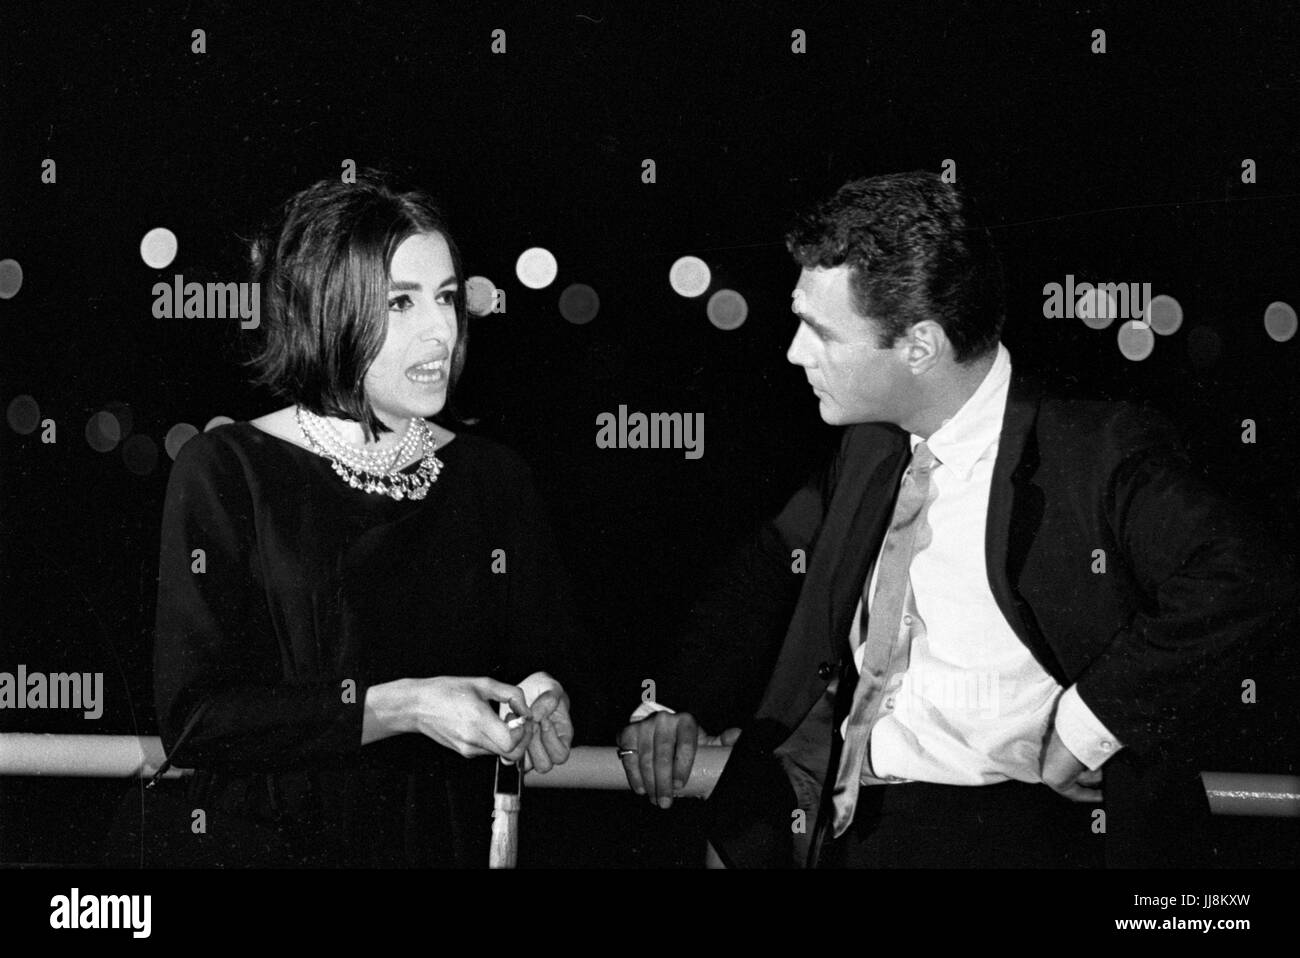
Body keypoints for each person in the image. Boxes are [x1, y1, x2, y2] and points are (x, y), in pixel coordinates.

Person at [617, 171, 1298, 868]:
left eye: (820, 331)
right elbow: (763, 574)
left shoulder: (1092, 453)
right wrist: (670, 707)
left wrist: (1090, 720)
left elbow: (1245, 574)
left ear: (919, 347)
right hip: (844, 837)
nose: (794, 351)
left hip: (1020, 840)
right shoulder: (868, 448)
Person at [138, 174, 576, 867]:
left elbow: (545, 657)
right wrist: (400, 708)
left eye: (447, 297)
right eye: (400, 302)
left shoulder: (495, 477)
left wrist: (546, 695)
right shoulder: (226, 470)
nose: (441, 330)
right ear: (327, 312)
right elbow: (196, 720)